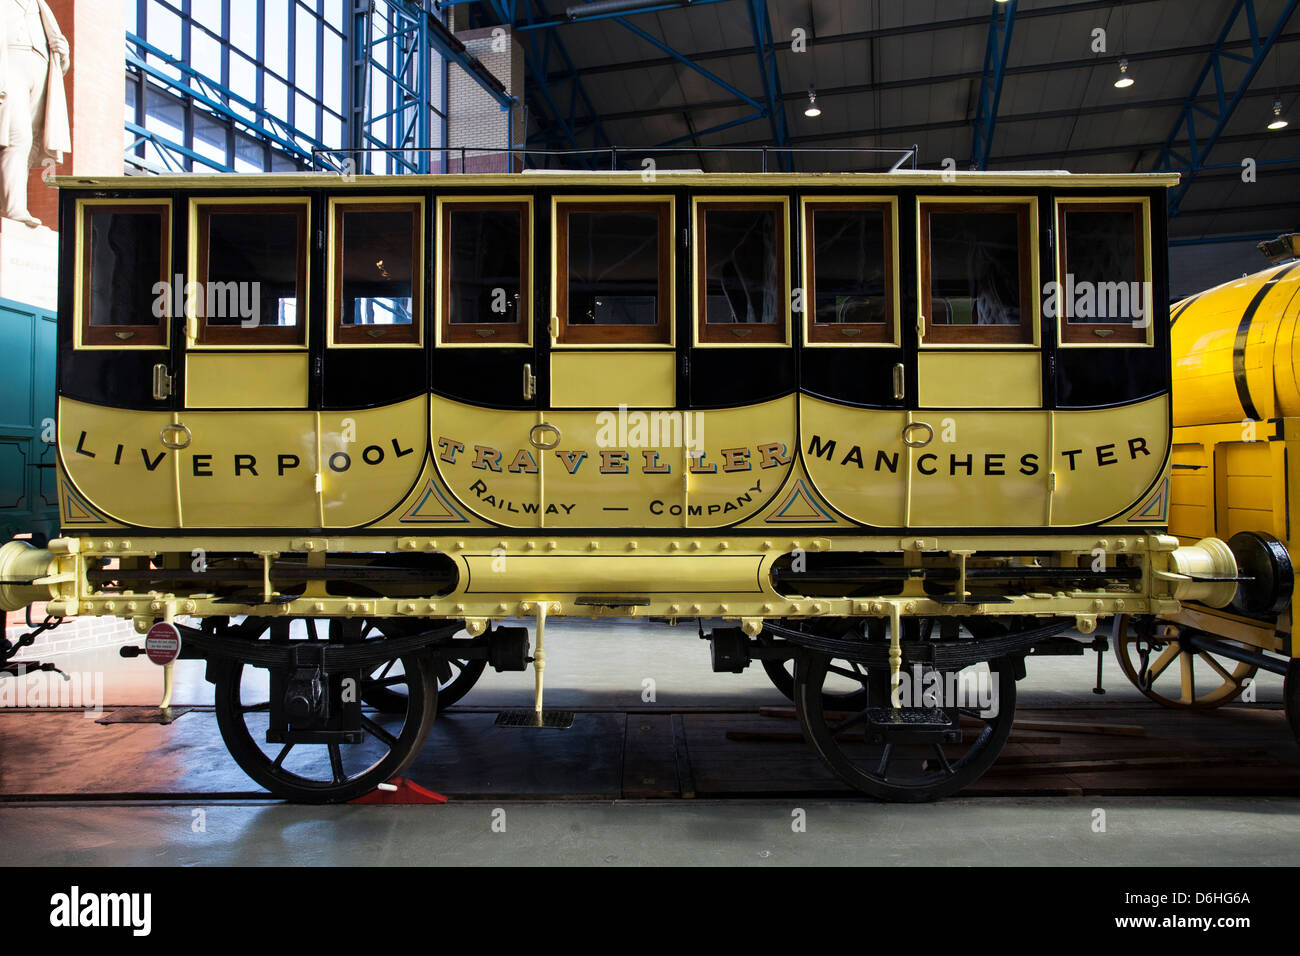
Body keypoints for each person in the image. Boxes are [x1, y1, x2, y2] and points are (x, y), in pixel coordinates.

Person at [0, 0, 70, 228]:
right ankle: (14, 209)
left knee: (29, 145)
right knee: (17, 138)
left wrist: (64, 55)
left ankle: (12, 205)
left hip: (40, 72)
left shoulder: (40, 5)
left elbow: (59, 60)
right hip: (11, 65)